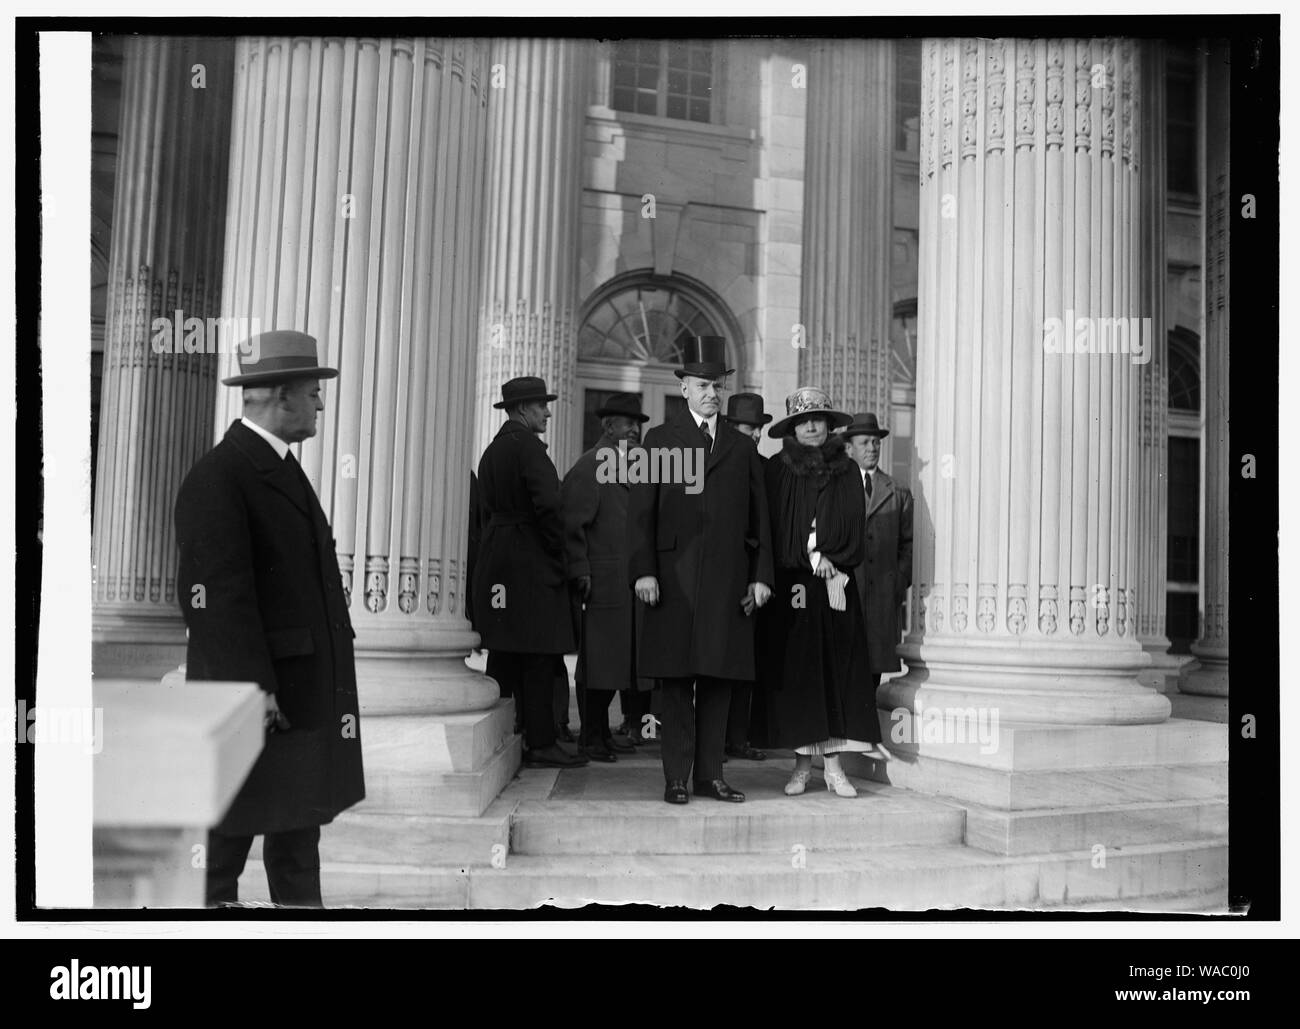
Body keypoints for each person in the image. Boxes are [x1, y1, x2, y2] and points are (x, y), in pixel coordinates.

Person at [174, 330, 365, 906]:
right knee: (224, 848)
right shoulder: (220, 477)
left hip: (294, 698)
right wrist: (253, 693)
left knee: (296, 840)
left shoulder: (274, 468)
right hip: (256, 704)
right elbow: (215, 602)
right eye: (314, 392)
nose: (321, 404)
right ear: (282, 396)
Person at [628, 336, 773, 805]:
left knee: (718, 680)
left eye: (718, 385)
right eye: (703, 385)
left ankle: (710, 776)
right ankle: (676, 777)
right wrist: (643, 571)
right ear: (685, 388)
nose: (712, 393)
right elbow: (641, 513)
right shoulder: (661, 440)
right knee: (675, 682)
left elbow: (759, 519)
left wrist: (762, 576)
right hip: (672, 580)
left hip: (728, 581)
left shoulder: (740, 446)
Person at [758, 387, 877, 798]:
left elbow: (852, 527)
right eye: (803, 421)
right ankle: (800, 768)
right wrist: (810, 557)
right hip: (796, 590)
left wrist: (830, 555)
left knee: (837, 673)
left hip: (836, 586)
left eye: (818, 420)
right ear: (792, 427)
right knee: (800, 676)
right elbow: (776, 529)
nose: (811, 427)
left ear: (829, 425)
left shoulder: (845, 471)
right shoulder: (779, 470)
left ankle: (835, 769)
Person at [474, 376, 586, 769]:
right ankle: (540, 742)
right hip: (532, 562)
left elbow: (486, 512)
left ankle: (501, 735)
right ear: (523, 409)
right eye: (542, 406)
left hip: (497, 560)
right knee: (539, 654)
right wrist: (559, 554)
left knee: (504, 653)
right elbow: (550, 509)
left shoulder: (491, 453)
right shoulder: (530, 450)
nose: (548, 412)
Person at [561, 393, 650, 762]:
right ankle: (590, 737)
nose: (634, 429)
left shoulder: (635, 466)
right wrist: (580, 570)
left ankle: (601, 734)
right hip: (601, 583)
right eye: (626, 423)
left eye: (637, 424)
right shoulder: (589, 465)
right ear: (608, 426)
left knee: (619, 666)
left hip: (628, 585)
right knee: (598, 664)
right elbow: (569, 525)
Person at [845, 412, 913, 762]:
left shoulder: (897, 490)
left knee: (873, 667)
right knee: (847, 663)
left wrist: (898, 581)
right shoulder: (839, 486)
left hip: (882, 597)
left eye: (875, 442)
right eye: (864, 443)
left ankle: (866, 735)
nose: (871, 448)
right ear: (850, 449)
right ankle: (850, 734)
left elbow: (908, 544)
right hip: (846, 592)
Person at [720, 392, 772, 763]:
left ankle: (737, 738)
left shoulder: (766, 467)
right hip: (713, 580)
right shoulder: (710, 464)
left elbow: (767, 532)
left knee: (744, 667)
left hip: (751, 581)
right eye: (747, 427)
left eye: (758, 429)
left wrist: (759, 580)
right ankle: (710, 741)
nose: (754, 435)